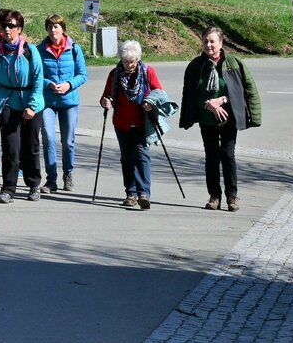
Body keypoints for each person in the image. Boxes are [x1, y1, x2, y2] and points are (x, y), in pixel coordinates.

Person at [180, 25, 261, 212]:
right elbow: (191, 93)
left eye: (212, 41)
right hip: (206, 119)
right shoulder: (195, 66)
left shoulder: (234, 63)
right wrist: (208, 104)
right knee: (211, 157)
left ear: (221, 43)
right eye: (205, 41)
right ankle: (214, 196)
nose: (208, 45)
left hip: (228, 119)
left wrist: (222, 100)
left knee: (227, 155)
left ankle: (232, 196)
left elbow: (243, 91)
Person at [0, 10, 47, 203]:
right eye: (5, 25)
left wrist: (32, 105)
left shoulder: (30, 50)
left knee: (30, 147)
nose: (7, 29)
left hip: (30, 102)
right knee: (10, 148)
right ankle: (8, 188)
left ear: (19, 29)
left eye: (11, 26)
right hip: (7, 101)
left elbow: (39, 80)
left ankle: (33, 184)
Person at [99, 40, 164, 210]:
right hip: (122, 122)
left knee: (142, 155)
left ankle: (144, 193)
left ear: (138, 59)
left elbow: (159, 92)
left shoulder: (148, 71)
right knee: (127, 157)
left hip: (143, 121)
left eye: (132, 62)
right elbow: (106, 96)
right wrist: (106, 102)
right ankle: (131, 193)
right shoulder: (115, 74)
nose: (129, 65)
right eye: (126, 61)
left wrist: (150, 102)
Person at [38, 15, 88, 193]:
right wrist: (48, 83)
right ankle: (51, 179)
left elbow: (82, 75)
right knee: (49, 138)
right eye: (50, 27)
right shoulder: (40, 50)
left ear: (63, 29)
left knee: (68, 142)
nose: (53, 31)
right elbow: (35, 75)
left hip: (69, 101)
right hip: (48, 102)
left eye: (56, 27)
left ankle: (68, 173)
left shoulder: (74, 48)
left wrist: (68, 84)